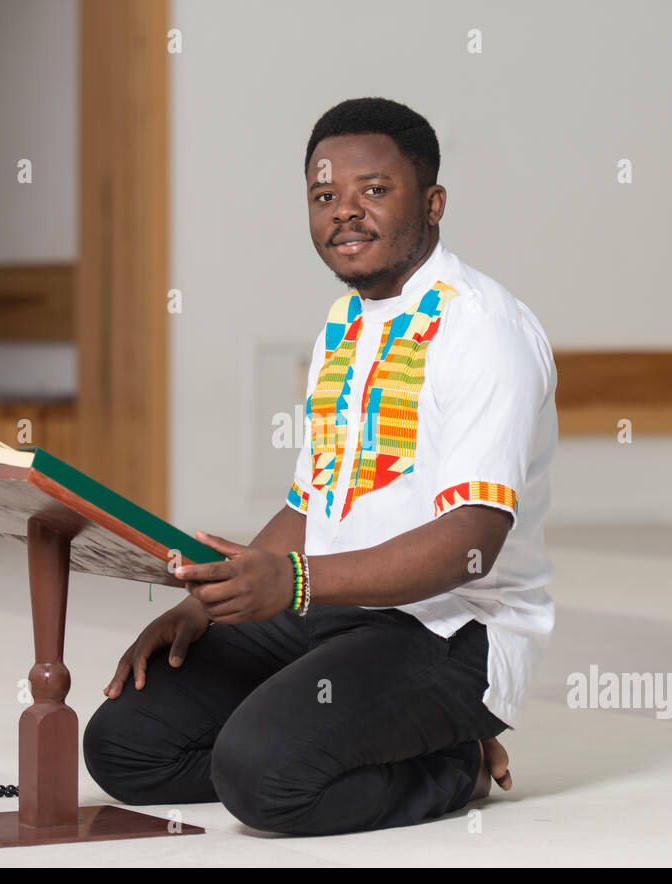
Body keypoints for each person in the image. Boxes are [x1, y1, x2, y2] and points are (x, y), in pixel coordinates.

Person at [82, 96, 558, 836]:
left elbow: (473, 542)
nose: (345, 212)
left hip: (450, 630)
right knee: (125, 745)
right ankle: (321, 731)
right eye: (324, 195)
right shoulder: (344, 325)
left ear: (432, 203)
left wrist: (295, 581)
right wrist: (204, 603)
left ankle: (453, 759)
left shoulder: (484, 331)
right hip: (334, 608)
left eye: (374, 190)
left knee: (262, 779)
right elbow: (313, 505)